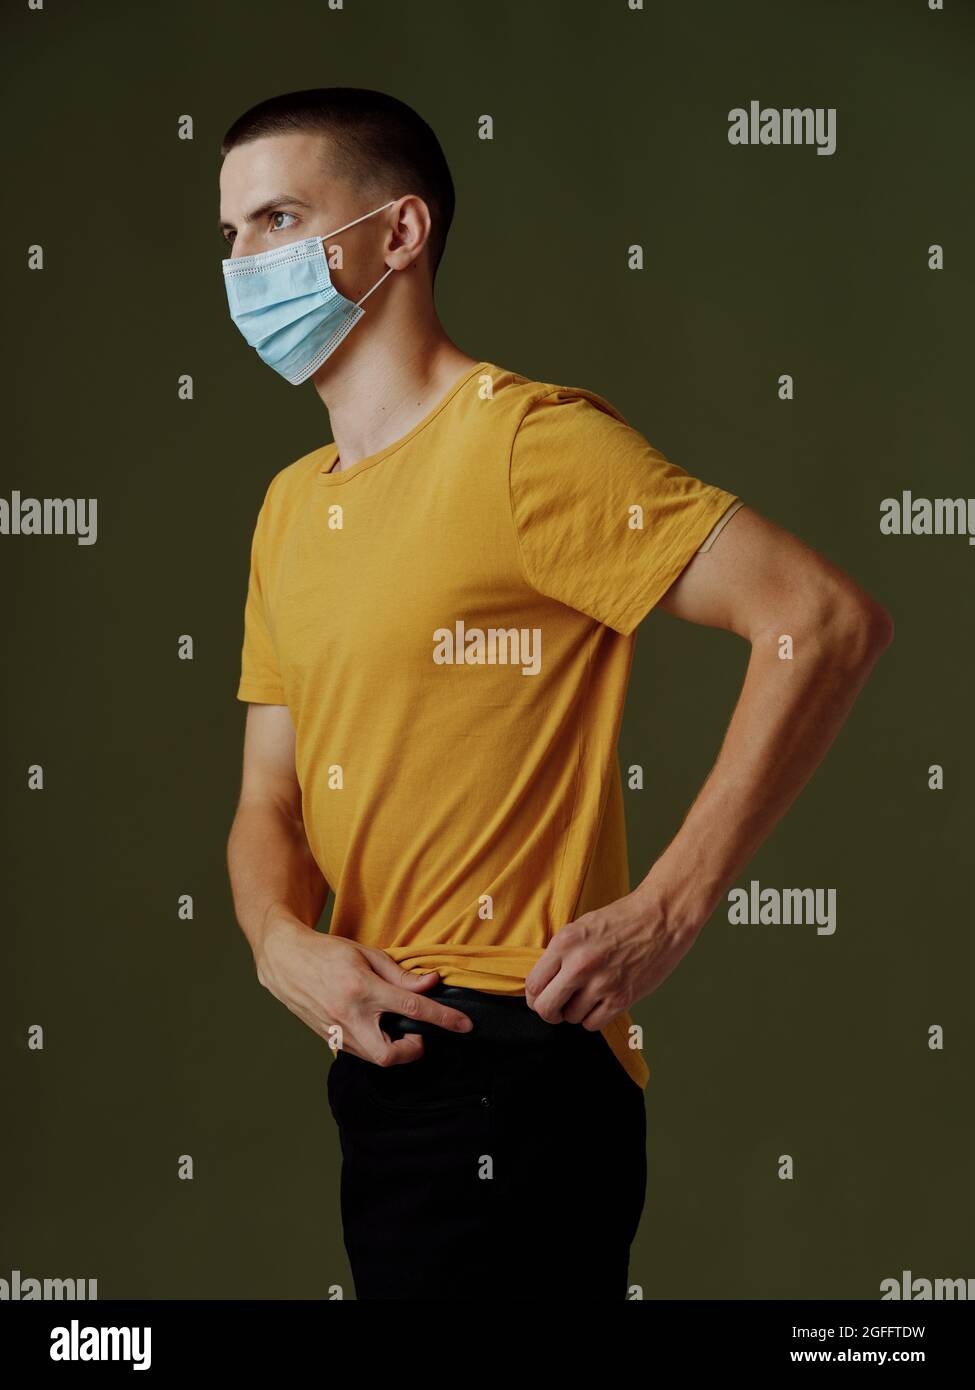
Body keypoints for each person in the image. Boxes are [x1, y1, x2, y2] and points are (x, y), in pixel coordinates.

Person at [220, 87, 893, 1301]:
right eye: (228, 237)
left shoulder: (523, 446)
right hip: (382, 1061)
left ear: (399, 233)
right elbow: (269, 795)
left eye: (275, 219)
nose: (242, 263)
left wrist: (671, 907)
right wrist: (282, 943)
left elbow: (822, 619)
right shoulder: (287, 509)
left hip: (513, 1065)